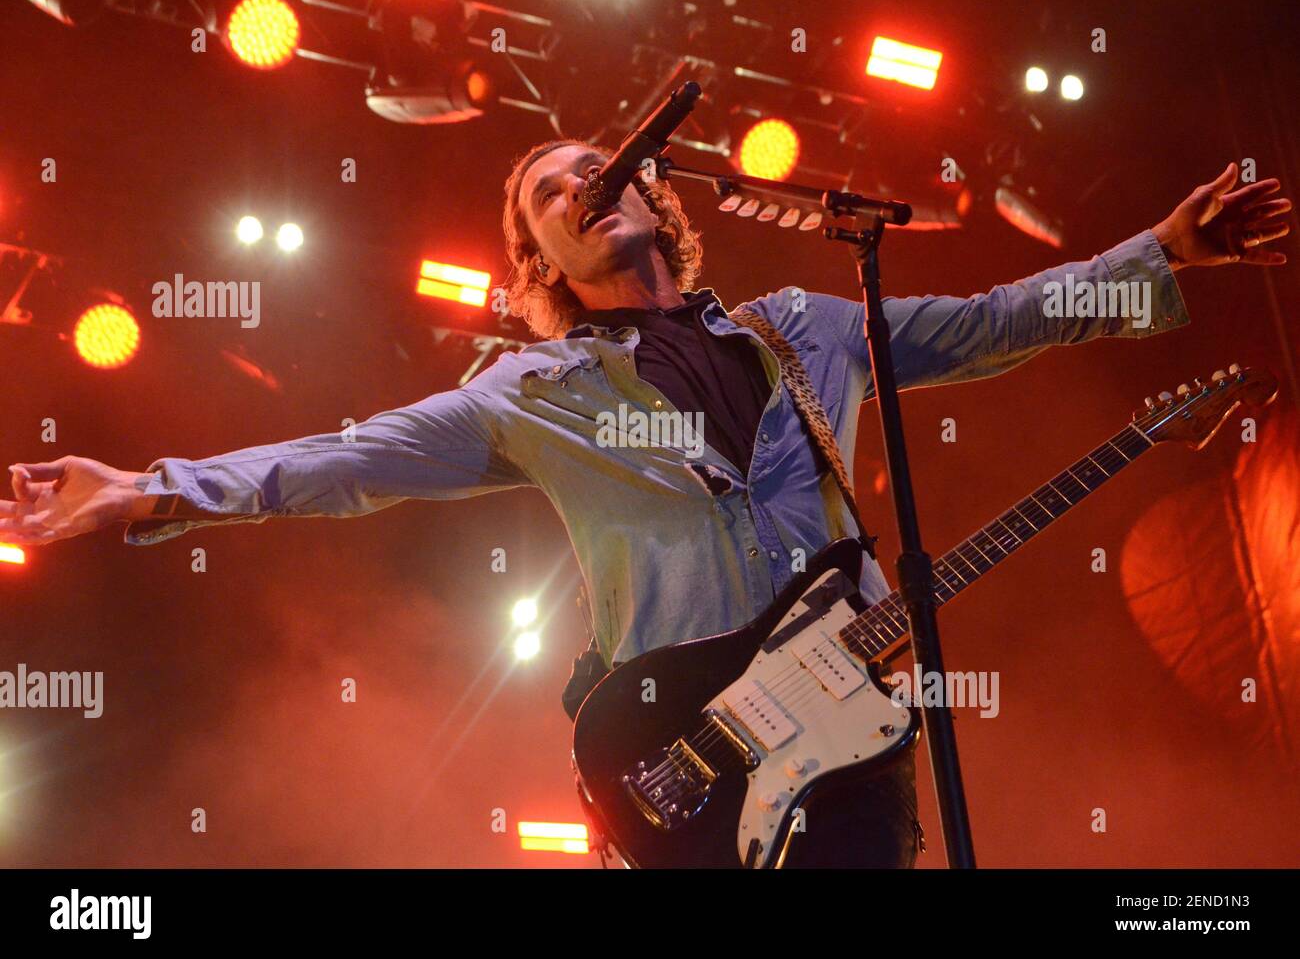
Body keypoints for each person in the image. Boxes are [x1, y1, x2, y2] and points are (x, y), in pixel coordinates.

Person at [1, 141, 1290, 867]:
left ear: (657, 200)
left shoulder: (805, 331)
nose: (582, 184)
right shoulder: (530, 393)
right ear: (538, 263)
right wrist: (150, 488)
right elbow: (349, 459)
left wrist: (1161, 256)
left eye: (595, 167)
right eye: (550, 192)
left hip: (849, 749)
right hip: (678, 756)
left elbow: (996, 321)